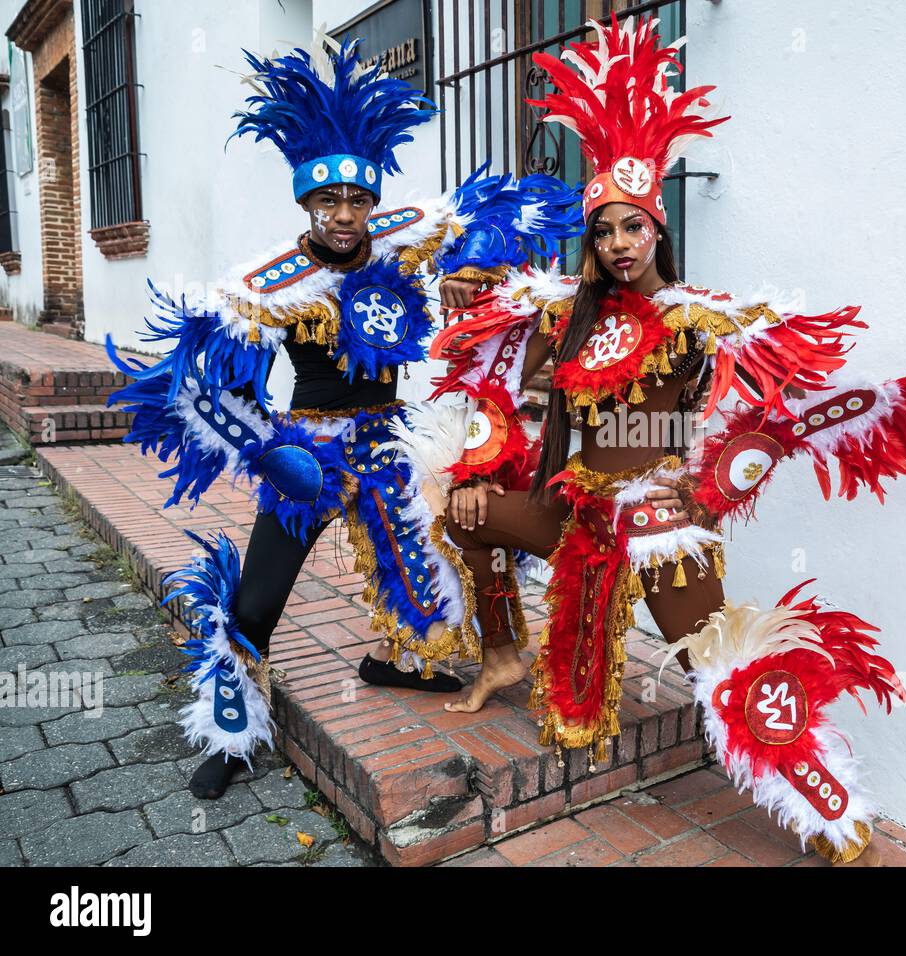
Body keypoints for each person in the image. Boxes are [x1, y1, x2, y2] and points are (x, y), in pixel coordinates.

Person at [397, 14, 906, 864]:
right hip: (570, 511)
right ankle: (501, 657)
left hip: (649, 527)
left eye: (633, 227)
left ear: (659, 228)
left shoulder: (697, 319)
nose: (618, 244)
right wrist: (481, 465)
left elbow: (776, 419)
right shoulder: (566, 313)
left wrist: (707, 494)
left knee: (721, 658)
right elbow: (490, 383)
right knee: (462, 511)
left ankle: (834, 810)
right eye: (603, 230)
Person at [104, 35, 582, 800]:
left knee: (423, 581)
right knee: (258, 597)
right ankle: (231, 733)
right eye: (329, 201)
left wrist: (471, 264)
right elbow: (197, 376)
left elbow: (490, 209)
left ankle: (393, 661)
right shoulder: (269, 282)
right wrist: (265, 450)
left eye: (358, 199)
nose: (346, 215)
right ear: (305, 201)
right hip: (311, 452)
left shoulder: (400, 236)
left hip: (390, 438)